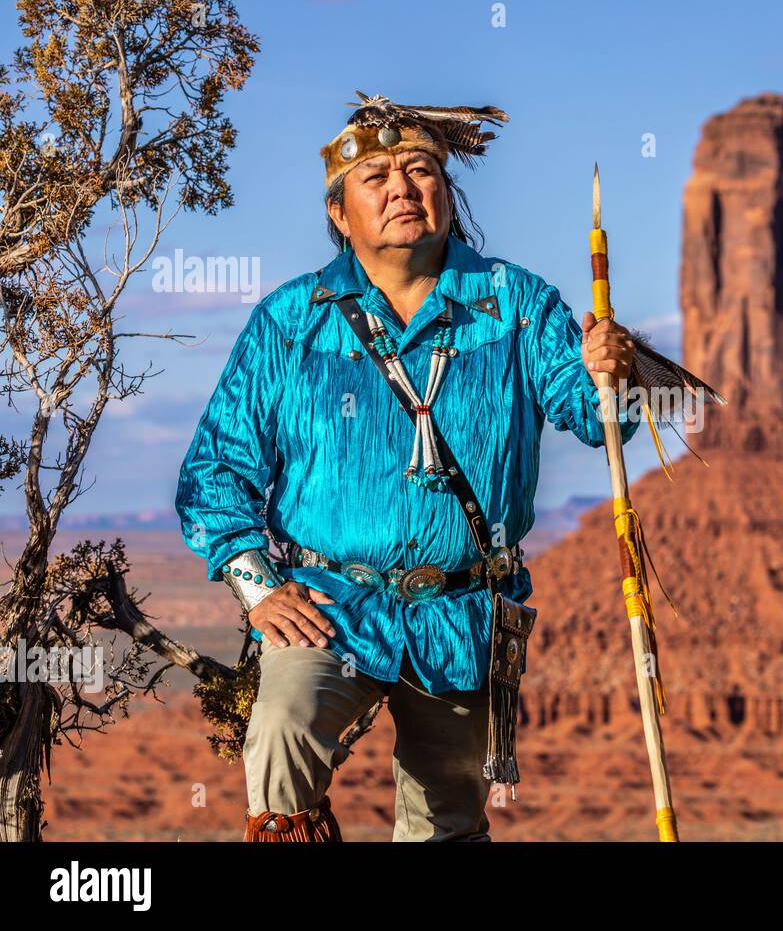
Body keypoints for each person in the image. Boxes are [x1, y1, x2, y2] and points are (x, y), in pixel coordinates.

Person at [174, 95, 640, 841]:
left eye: (421, 170)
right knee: (282, 735)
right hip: (328, 604)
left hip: (464, 613)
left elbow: (595, 418)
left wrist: (612, 369)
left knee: (445, 823)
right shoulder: (290, 322)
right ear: (339, 212)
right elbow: (216, 469)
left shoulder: (514, 304)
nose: (402, 188)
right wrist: (257, 587)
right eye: (376, 177)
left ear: (448, 195)